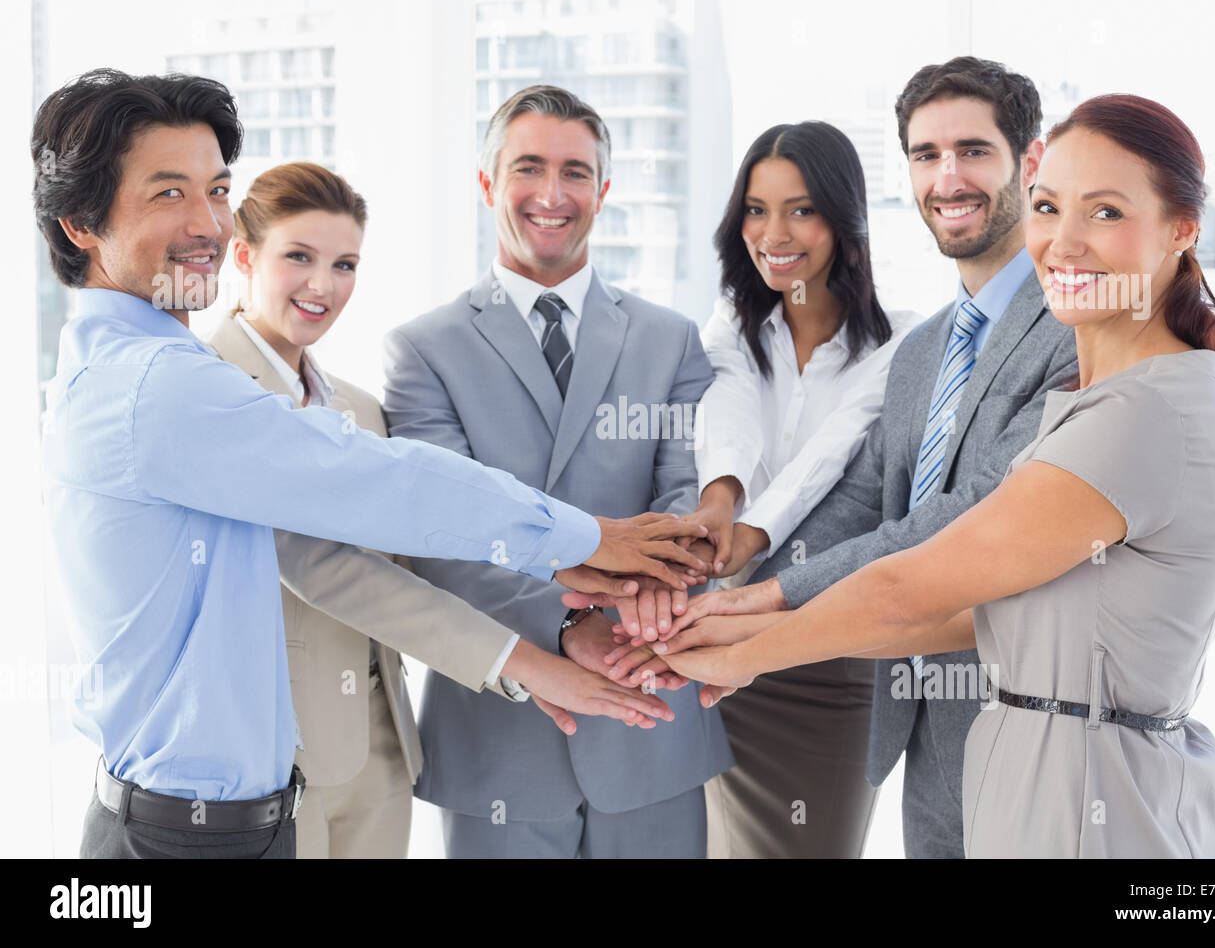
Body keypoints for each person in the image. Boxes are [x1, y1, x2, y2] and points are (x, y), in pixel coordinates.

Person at [35, 68, 705, 860]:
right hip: (184, 836)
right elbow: (384, 484)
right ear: (81, 223)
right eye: (167, 194)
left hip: (220, 818)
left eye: (216, 191)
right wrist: (581, 540)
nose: (206, 223)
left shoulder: (141, 365)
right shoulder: (163, 387)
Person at [660, 92, 1215, 858]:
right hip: (1032, 776)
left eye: (1106, 213)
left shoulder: (1141, 415)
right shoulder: (1096, 397)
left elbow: (908, 588)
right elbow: (971, 615)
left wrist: (734, 658)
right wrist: (745, 619)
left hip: (1094, 802)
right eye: (1050, 208)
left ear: (1181, 230)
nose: (1065, 241)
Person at [580, 57, 1078, 858]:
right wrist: (722, 603)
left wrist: (754, 603)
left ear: (1031, 161)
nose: (947, 178)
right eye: (925, 155)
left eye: (972, 151)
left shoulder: (1074, 327)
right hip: (914, 712)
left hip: (1022, 716)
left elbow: (965, 516)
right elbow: (860, 499)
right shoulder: (928, 350)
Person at [208, 161, 637, 858]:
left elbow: (425, 552)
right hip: (272, 757)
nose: (324, 285)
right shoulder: (213, 390)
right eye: (299, 257)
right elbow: (324, 567)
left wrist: (572, 610)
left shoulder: (361, 408)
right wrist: (525, 660)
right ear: (244, 255)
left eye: (344, 264)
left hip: (384, 749)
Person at [381, 84, 733, 858]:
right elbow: (442, 533)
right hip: (498, 730)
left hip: (652, 713)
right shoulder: (423, 350)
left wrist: (643, 607)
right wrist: (568, 623)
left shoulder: (671, 339)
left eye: (575, 172)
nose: (551, 193)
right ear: (486, 184)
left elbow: (688, 501)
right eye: (528, 167)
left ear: (603, 191)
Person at [604, 121, 918, 858]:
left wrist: (749, 534)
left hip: (827, 656)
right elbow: (731, 409)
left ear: (846, 219)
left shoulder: (903, 345)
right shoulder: (727, 327)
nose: (773, 232)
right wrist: (719, 501)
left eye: (801, 209)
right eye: (755, 208)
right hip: (712, 641)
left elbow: (836, 451)